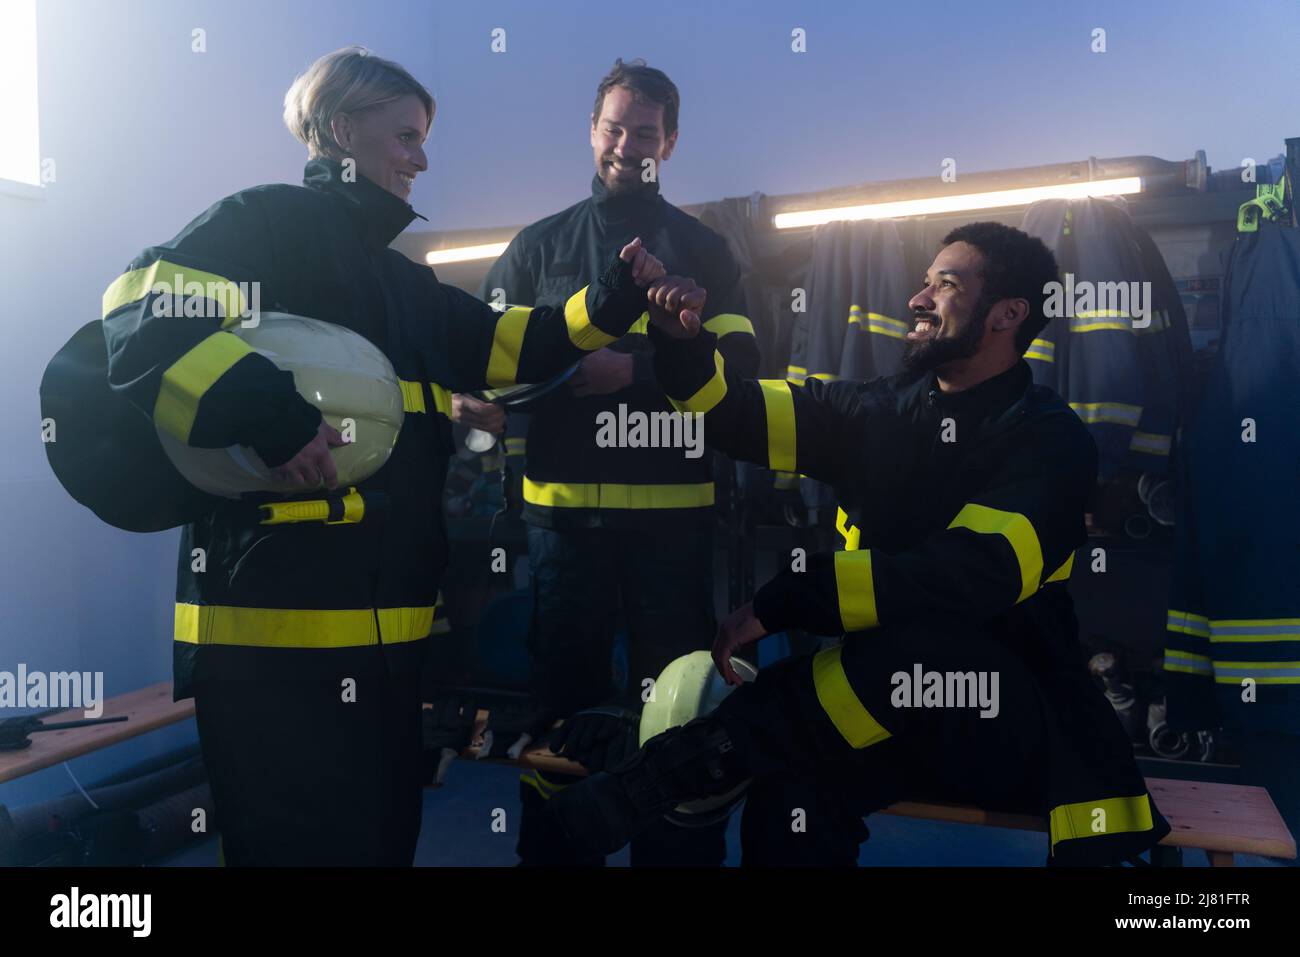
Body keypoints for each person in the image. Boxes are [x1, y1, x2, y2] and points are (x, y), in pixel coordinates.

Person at [99, 45, 699, 866]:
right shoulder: (268, 224)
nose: (422, 158)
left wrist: (615, 298)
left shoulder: (395, 278)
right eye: (407, 136)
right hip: (272, 640)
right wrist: (272, 420)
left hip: (384, 641)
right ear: (343, 129)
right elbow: (142, 307)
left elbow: (501, 341)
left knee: (380, 844)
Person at [550, 221, 1172, 866]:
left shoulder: (1049, 440)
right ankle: (691, 769)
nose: (918, 298)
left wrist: (789, 600)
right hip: (870, 712)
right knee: (791, 798)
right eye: (926, 281)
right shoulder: (879, 410)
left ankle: (661, 778)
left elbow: (967, 576)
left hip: (1002, 722)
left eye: (946, 284)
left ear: (1007, 314)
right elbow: (730, 411)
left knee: (918, 652)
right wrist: (679, 342)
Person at [466, 58, 758, 867]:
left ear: (671, 141)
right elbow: (487, 361)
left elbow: (743, 369)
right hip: (563, 529)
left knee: (679, 711)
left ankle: (676, 857)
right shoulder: (535, 248)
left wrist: (633, 368)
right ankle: (555, 857)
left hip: (673, 527)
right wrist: (493, 400)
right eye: (615, 127)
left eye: (646, 132)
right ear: (593, 131)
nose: (629, 144)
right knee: (563, 709)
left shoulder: (707, 250)